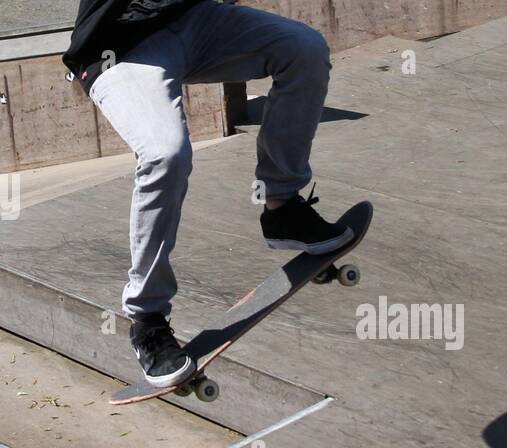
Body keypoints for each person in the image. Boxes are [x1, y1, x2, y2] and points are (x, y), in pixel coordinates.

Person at [63, 0, 353, 387]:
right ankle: (147, 317)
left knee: (303, 49)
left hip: (194, 22)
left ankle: (281, 204)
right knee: (165, 153)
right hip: (118, 49)